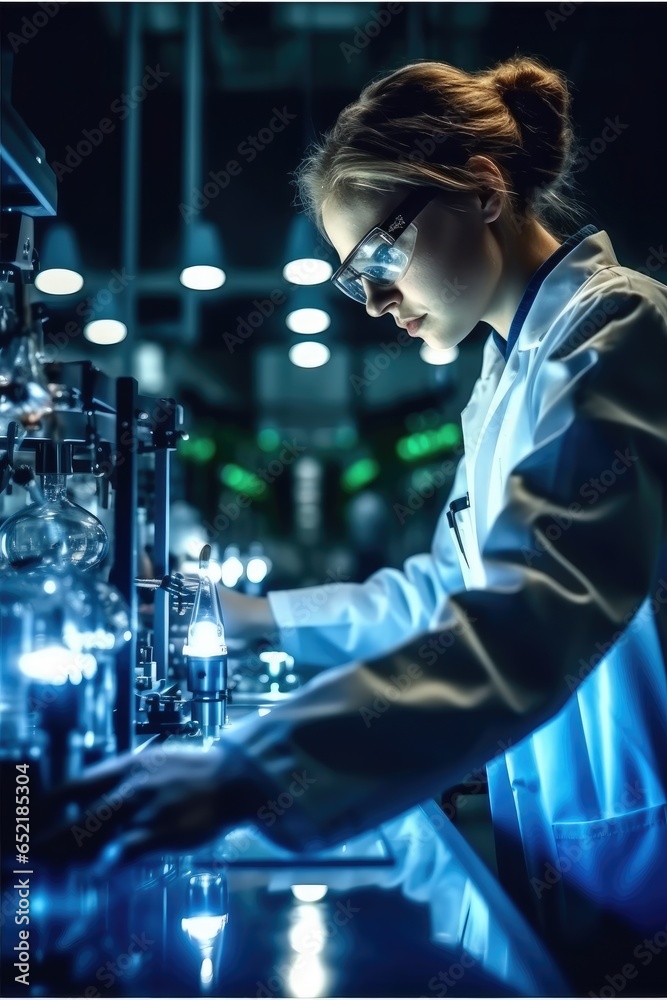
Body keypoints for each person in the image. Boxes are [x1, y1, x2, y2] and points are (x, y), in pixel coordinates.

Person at [42, 55, 667, 993]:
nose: (372, 300)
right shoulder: (504, 375)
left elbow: (535, 608)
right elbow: (439, 597)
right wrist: (250, 617)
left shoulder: (615, 332)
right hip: (581, 860)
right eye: (353, 277)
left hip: (642, 860)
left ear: (482, 191)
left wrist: (254, 769)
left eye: (378, 256)